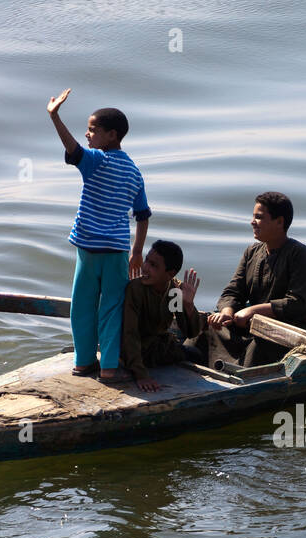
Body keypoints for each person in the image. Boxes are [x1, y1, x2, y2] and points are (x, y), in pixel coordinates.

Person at [46, 88, 150, 384]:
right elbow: (143, 215)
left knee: (82, 304)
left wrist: (55, 117)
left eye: (93, 131)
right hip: (117, 251)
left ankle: (83, 362)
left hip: (88, 248)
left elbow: (73, 148)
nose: (88, 135)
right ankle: (108, 368)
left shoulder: (97, 162)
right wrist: (137, 251)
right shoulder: (134, 171)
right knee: (112, 306)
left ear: (112, 135)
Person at [207, 192, 306, 366]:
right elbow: (233, 291)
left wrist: (252, 310)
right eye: (253, 216)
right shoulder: (252, 252)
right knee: (210, 327)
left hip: (293, 330)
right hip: (257, 325)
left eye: (259, 217)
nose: (252, 222)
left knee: (261, 344)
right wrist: (227, 311)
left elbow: (298, 303)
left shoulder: (301, 255)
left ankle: (241, 377)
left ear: (279, 222)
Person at [120, 240, 205, 392]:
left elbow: (189, 332)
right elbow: (129, 334)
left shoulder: (173, 290)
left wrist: (188, 305)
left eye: (153, 265)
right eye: (146, 261)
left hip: (159, 348)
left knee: (196, 354)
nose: (145, 267)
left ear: (170, 274)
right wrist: (141, 375)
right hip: (134, 351)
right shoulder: (136, 290)